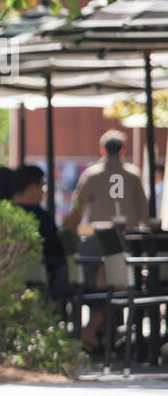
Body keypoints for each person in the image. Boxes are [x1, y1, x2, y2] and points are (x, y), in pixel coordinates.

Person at [64, 129, 150, 351]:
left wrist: (71, 228)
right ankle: (105, 332)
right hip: (127, 243)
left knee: (98, 282)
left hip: (97, 243)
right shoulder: (133, 174)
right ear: (123, 150)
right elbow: (143, 210)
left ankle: (94, 329)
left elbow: (78, 206)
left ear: (102, 149)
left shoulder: (92, 174)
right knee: (123, 282)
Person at [10, 164, 66, 296]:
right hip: (44, 279)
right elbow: (57, 249)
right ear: (31, 187)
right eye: (42, 187)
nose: (43, 192)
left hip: (12, 279)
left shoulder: (4, 214)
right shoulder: (40, 216)